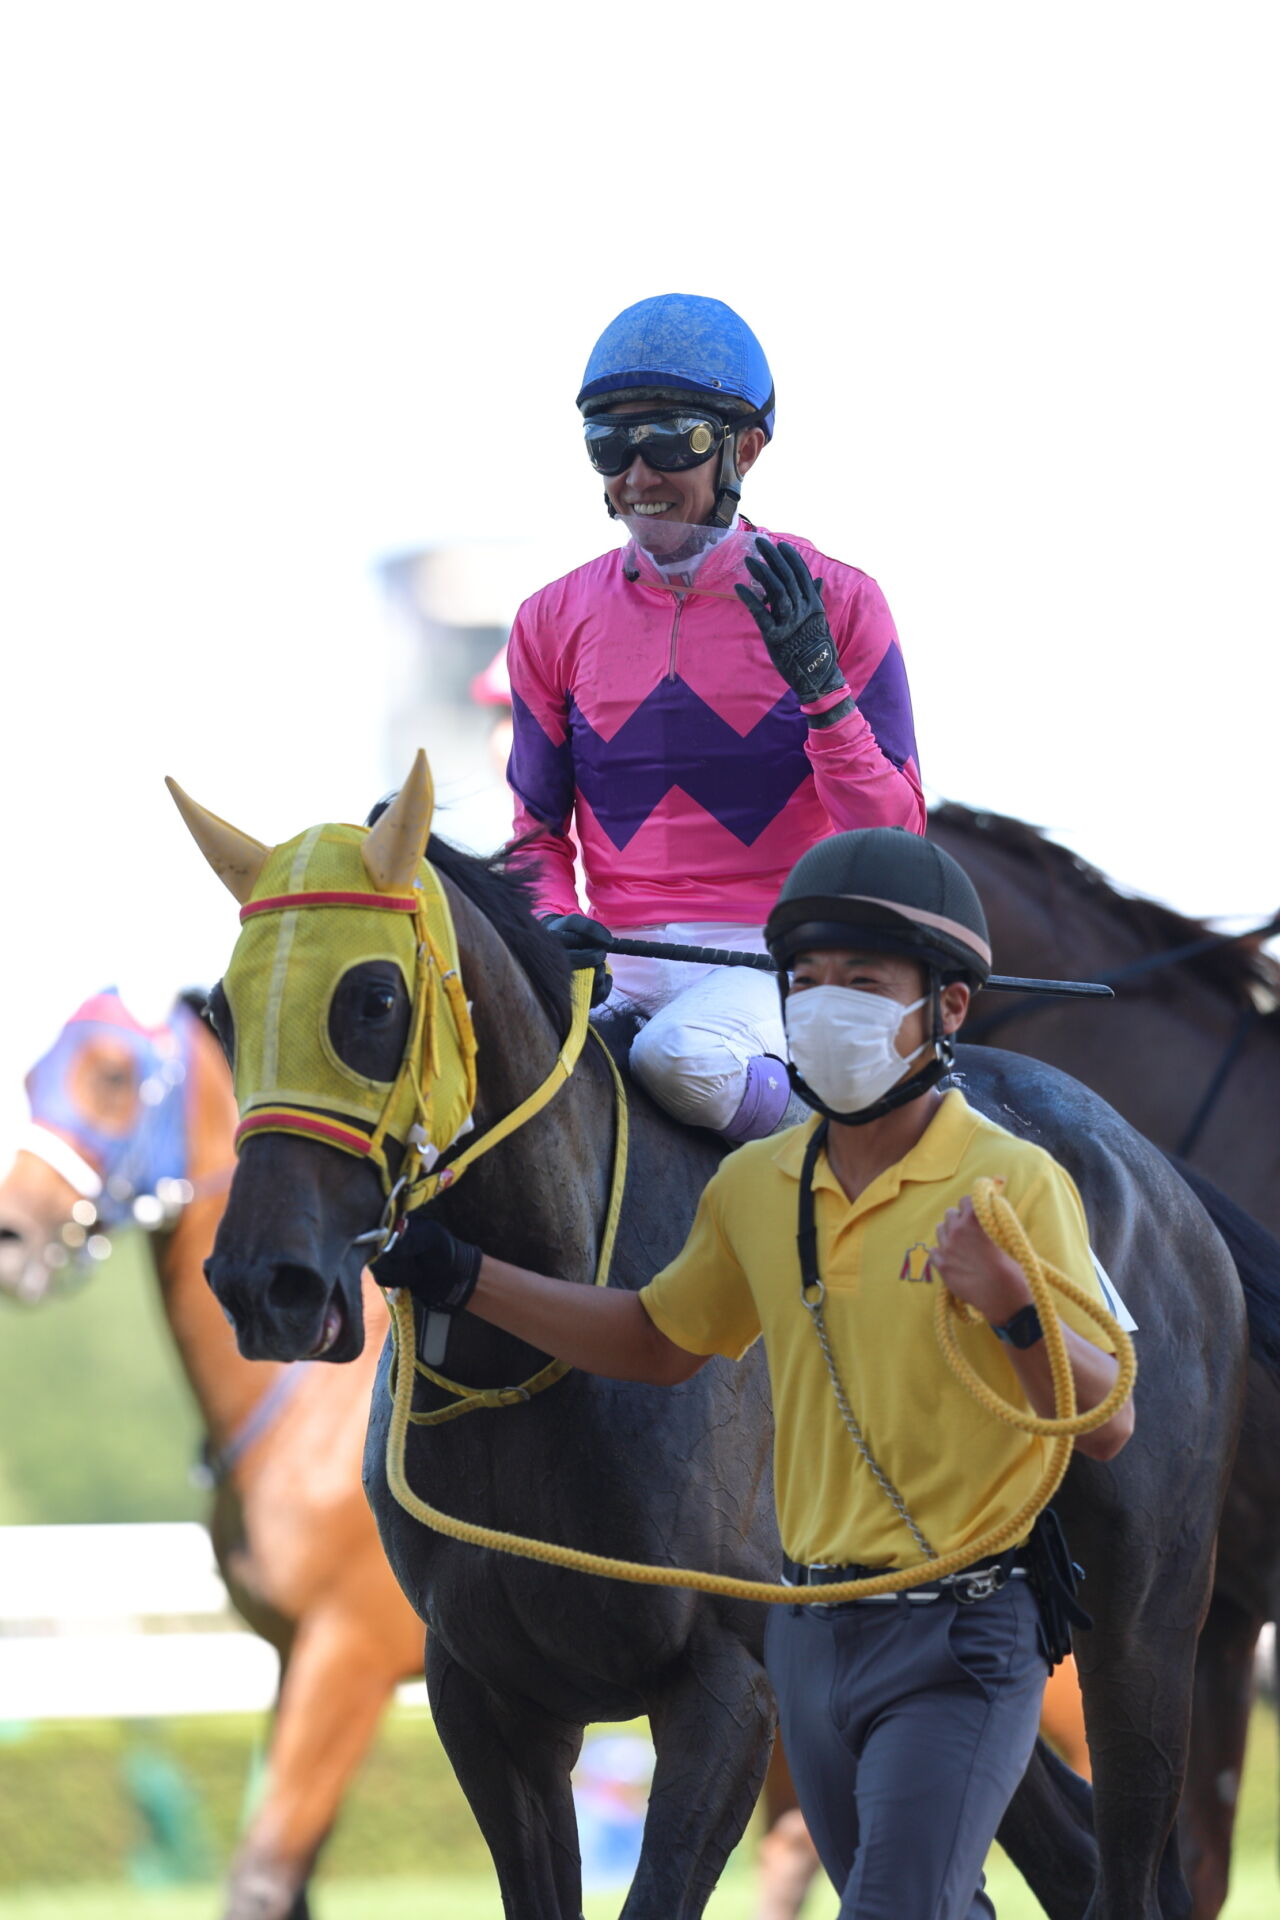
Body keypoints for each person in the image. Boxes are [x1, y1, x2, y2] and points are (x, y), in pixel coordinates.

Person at [382, 828, 1135, 1920]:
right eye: (807, 981)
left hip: (964, 1629)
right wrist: (464, 1276)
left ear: (948, 1008)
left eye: (863, 983)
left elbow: (1105, 1423)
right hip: (810, 1637)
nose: (827, 1006)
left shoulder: (1010, 1181)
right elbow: (651, 1340)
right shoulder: (756, 1184)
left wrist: (1010, 1305)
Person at [506, 292, 926, 1143]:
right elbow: (535, 836)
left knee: (679, 1057)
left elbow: (896, 840)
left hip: (785, 966)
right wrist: (552, 923)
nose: (636, 477)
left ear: (745, 447)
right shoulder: (548, 621)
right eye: (608, 446)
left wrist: (821, 692)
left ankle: (842, 1156)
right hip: (620, 972)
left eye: (670, 441)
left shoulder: (841, 603)